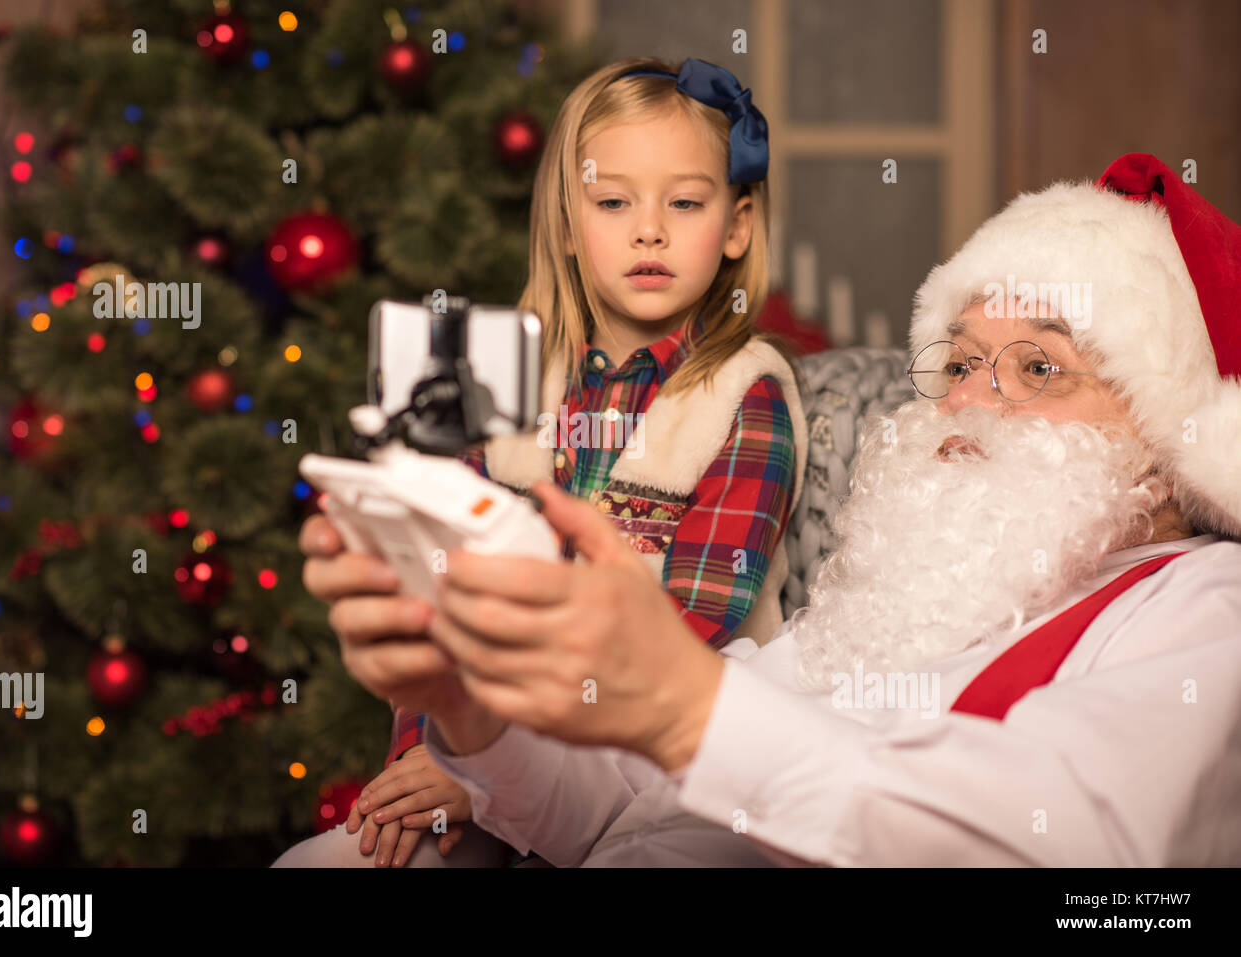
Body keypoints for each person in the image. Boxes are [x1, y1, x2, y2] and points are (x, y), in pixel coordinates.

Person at [309, 152, 1241, 866]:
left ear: (1169, 444)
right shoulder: (913, 594)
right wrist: (468, 703)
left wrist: (685, 708)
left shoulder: (1204, 610)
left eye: (1039, 367)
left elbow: (1064, 840)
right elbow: (607, 800)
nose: (968, 401)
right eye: (958, 362)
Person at [273, 57, 808, 867]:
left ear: (736, 227)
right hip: (491, 732)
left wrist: (494, 765)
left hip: (657, 753)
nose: (649, 230)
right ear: (566, 222)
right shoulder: (510, 390)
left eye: (686, 202)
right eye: (614, 201)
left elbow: (688, 628)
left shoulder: (746, 393)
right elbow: (441, 590)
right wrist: (434, 750)